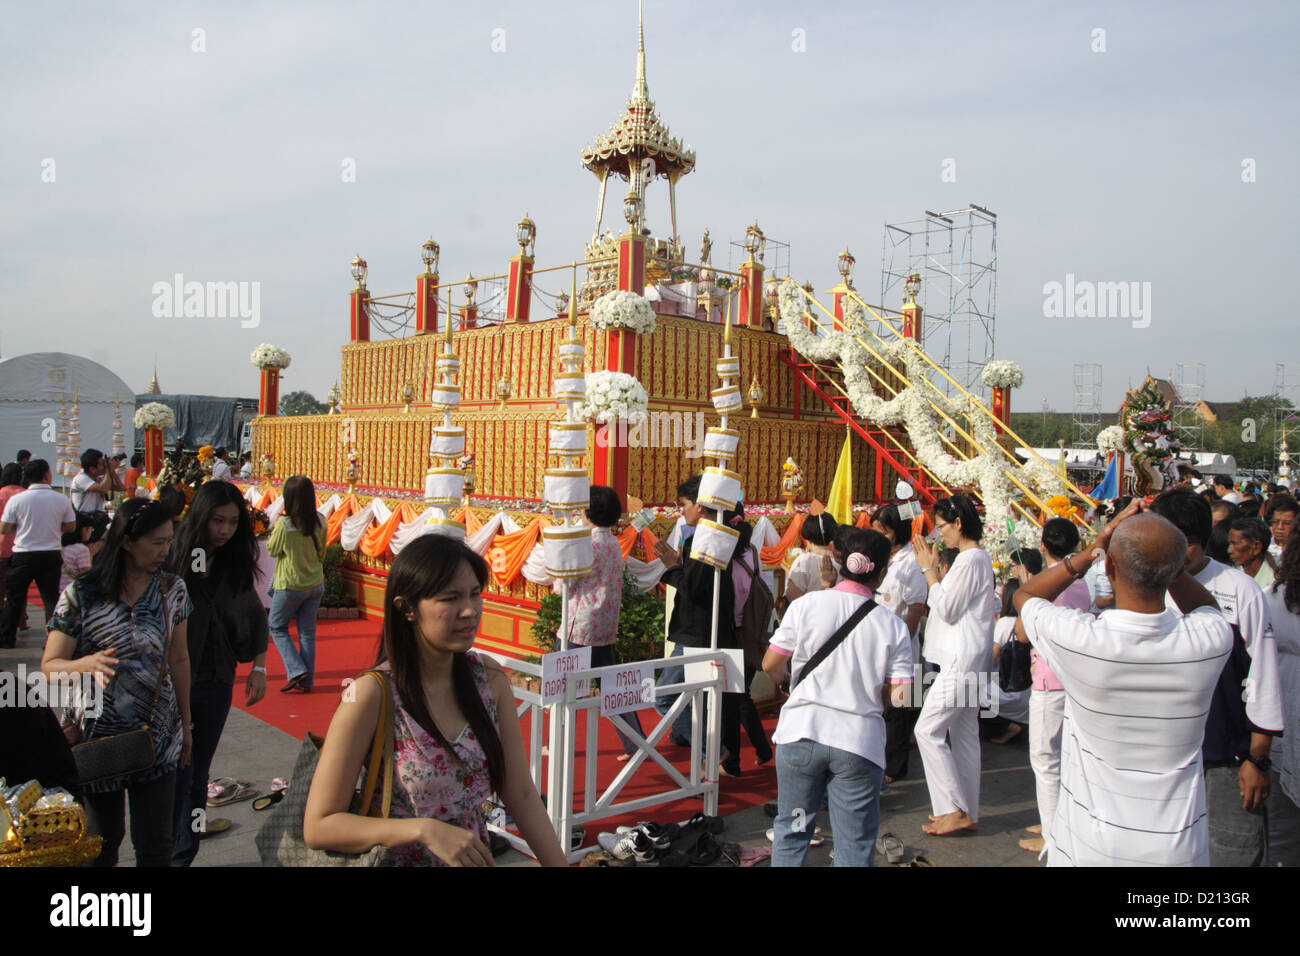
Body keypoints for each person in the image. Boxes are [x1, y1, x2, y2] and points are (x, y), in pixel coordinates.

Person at [302, 534, 567, 866]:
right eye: (450, 598)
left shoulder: (489, 679)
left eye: (474, 594)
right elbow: (320, 825)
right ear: (407, 609)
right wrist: (423, 830)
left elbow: (521, 794)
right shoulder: (370, 694)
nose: (469, 610)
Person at [1013, 502, 1232, 865]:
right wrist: (1169, 565)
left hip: (1090, 849)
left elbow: (1026, 597)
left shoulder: (1083, 640)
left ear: (1109, 567)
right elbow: (1208, 609)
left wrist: (1089, 553)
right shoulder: (1207, 643)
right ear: (1178, 569)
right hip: (1177, 850)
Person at [42, 498, 193, 867]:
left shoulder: (172, 590)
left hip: (157, 735)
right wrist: (84, 663)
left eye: (169, 541)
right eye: (156, 542)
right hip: (98, 737)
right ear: (127, 541)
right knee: (100, 844)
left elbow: (179, 658)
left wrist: (186, 725)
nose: (165, 551)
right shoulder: (82, 594)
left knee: (156, 844)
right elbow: (49, 666)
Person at [1148, 490, 1284, 866]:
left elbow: (1263, 675)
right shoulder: (1144, 588)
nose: (1176, 555)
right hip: (1160, 759)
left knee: (1232, 855)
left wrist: (1257, 759)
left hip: (1225, 760)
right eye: (1167, 543)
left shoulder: (1240, 590)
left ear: (1205, 541)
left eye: (1186, 544)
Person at [762, 528, 912, 866]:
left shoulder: (806, 606)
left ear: (838, 562)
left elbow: (771, 663)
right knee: (854, 843)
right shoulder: (893, 625)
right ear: (882, 573)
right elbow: (902, 697)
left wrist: (789, 685)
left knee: (793, 830)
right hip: (857, 746)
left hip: (800, 737)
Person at [168, 480, 270, 866]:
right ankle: (163, 846)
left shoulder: (235, 561)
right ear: (201, 518)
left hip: (215, 677)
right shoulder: (176, 555)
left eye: (231, 522)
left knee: (196, 771)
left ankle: (183, 854)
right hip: (173, 677)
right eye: (216, 521)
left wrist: (259, 666)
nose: (224, 530)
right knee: (171, 769)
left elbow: (251, 614)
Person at [910, 494, 999, 836]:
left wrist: (929, 571)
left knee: (927, 729)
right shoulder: (973, 559)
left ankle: (953, 808)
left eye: (943, 526)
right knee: (963, 735)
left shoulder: (970, 559)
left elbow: (946, 608)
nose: (940, 533)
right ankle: (966, 810)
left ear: (959, 523)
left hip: (963, 660)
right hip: (970, 658)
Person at [1019, 517, 1092, 855]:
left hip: (1049, 679)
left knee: (1044, 758)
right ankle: (1055, 820)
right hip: (1073, 678)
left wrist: (1025, 587)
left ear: (1043, 547)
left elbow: (1022, 634)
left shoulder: (1044, 586)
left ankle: (1052, 835)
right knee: (1062, 756)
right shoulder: (1082, 583)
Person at [652, 474, 732, 749]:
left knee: (663, 695)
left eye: (684, 504)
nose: (682, 510)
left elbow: (694, 588)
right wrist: (676, 563)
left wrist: (673, 568)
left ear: (700, 505)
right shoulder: (717, 535)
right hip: (705, 628)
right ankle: (700, 752)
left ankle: (710, 749)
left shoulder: (706, 540)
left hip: (695, 632)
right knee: (700, 699)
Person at [564, 485, 644, 759]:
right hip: (606, 622)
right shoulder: (612, 542)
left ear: (588, 512)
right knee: (612, 685)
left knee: (567, 687)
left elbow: (568, 582)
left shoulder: (586, 543)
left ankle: (561, 742)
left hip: (581, 623)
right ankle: (636, 741)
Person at [870, 504, 927, 783]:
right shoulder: (882, 557)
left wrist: (903, 645)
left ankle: (895, 767)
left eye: (884, 530)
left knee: (897, 707)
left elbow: (915, 608)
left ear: (898, 532)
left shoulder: (910, 562)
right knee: (882, 704)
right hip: (877, 640)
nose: (879, 535)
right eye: (876, 529)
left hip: (900, 642)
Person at [0, 459, 76, 648]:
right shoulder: (61, 499)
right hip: (50, 553)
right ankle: (52, 640)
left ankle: (7, 638)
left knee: (14, 598)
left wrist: (24, 525)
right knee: (51, 599)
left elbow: (5, 528)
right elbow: (71, 526)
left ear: (26, 477)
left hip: (23, 553)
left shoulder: (17, 499)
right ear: (47, 475)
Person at [723, 504, 772, 775]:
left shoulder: (726, 558)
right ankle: (760, 750)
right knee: (740, 695)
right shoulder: (752, 553)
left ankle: (732, 762)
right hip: (753, 633)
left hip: (735, 633)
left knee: (735, 697)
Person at [267, 475, 326, 692]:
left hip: (290, 583)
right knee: (307, 633)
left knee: (277, 626)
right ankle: (306, 680)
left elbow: (272, 549)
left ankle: (296, 669)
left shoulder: (285, 524)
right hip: (315, 581)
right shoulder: (321, 520)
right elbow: (322, 553)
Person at [1266, 526, 1300, 866]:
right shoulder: (1274, 596)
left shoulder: (1272, 597)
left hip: (1283, 705)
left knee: (1283, 833)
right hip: (1286, 705)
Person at [783, 512, 839, 604]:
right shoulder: (840, 560)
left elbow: (791, 597)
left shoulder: (804, 560)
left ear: (808, 538)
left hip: (808, 613)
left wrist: (788, 576)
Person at [0, 463, 26, 633]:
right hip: (21, 547)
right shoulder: (25, 494)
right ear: (20, 477)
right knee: (20, 588)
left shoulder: (1, 494)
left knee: (1, 587)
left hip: (2, 547)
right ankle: (21, 619)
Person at [1228, 516, 1276, 590]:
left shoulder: (1273, 583)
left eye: (1235, 544)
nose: (1229, 550)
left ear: (1256, 546)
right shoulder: (1231, 574)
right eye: (1230, 544)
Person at [71, 448, 121, 518]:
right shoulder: (80, 478)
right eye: (101, 464)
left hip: (97, 517)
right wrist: (108, 469)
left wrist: (112, 470)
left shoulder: (98, 479)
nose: (104, 466)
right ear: (92, 469)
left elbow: (120, 487)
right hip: (83, 518)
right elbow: (103, 489)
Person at [59, 514, 95, 596]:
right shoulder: (82, 549)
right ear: (84, 530)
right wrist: (91, 554)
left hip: (60, 590)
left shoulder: (62, 547)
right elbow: (85, 575)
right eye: (90, 529)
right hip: (74, 592)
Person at [1265, 494, 1298, 561]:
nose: (1280, 527)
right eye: (1276, 521)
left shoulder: (1296, 550)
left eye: (1287, 523)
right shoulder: (1264, 548)